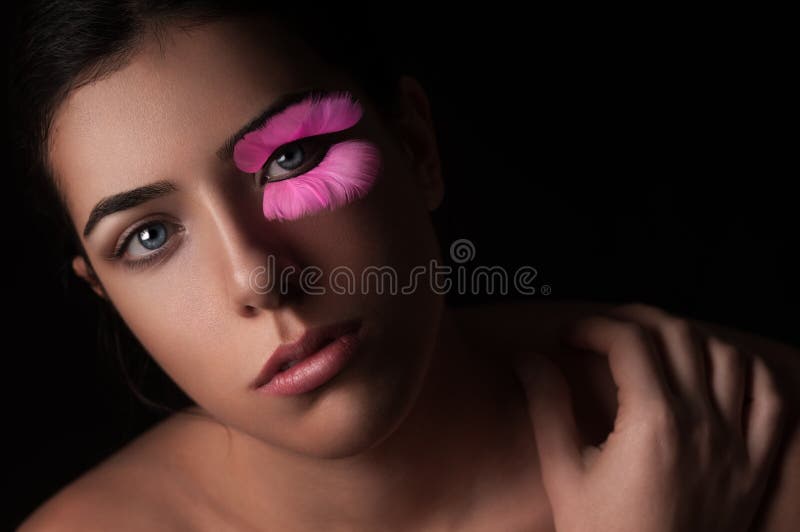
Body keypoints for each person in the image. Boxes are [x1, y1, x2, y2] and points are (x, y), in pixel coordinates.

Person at [9, 1, 799, 530]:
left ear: (414, 146)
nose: (258, 279)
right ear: (105, 292)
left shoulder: (744, 433)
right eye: (148, 238)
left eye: (292, 156)